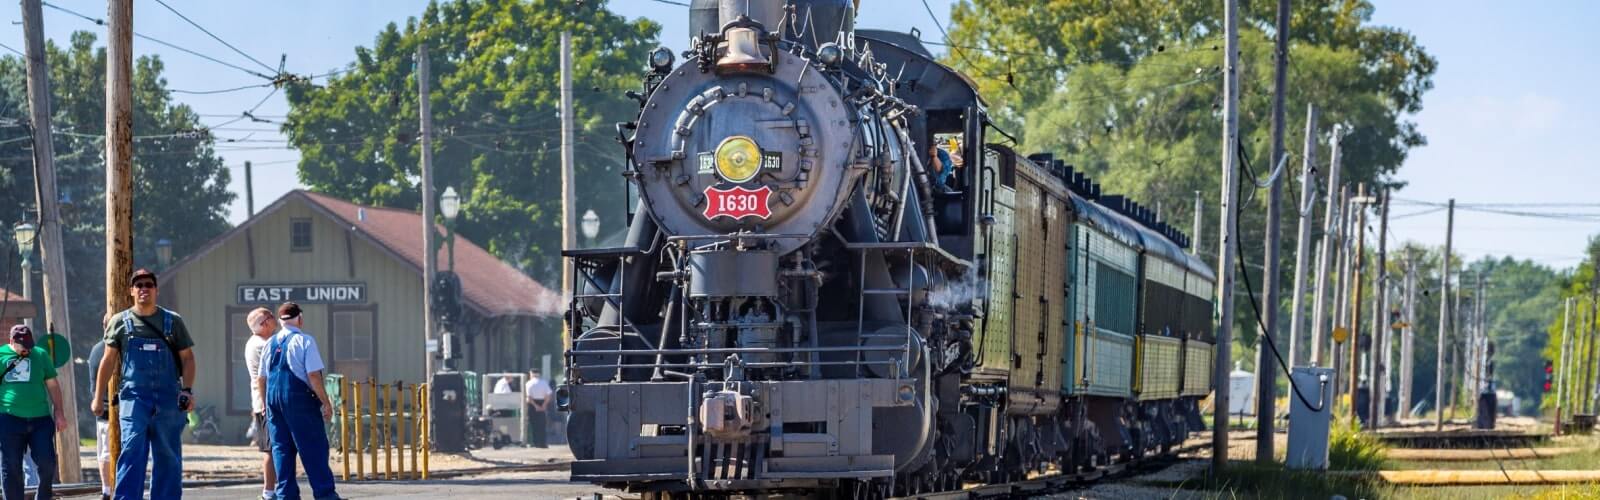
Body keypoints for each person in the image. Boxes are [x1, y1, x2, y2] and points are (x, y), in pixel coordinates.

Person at [91, 269, 196, 500]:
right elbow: (108, 361)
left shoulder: (173, 321)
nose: (143, 289)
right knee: (131, 450)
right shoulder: (120, 321)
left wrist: (187, 390)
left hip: (168, 398)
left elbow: (187, 358)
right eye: (138, 285)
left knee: (168, 454)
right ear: (131, 291)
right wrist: (98, 397)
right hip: (134, 397)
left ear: (156, 290)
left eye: (148, 285)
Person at [257, 303, 341, 500]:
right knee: (313, 447)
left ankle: (286, 495)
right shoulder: (305, 341)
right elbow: (313, 375)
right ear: (300, 318)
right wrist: (326, 403)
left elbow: (261, 378)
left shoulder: (270, 343)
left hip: (273, 400)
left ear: (279, 321)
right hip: (299, 400)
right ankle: (325, 494)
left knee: (281, 449)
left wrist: (264, 403)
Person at [0, 324, 67, 500]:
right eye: (23, 346)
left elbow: (53, 385)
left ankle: (43, 496)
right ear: (11, 342)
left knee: (47, 463)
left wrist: (59, 412)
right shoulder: (1, 355)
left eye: (29, 345)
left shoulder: (41, 355)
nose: (27, 349)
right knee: (11, 466)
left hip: (40, 419)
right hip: (9, 418)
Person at [244, 308, 278, 500]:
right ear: (264, 323)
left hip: (265, 402)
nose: (274, 319)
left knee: (274, 448)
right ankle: (268, 492)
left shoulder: (260, 342)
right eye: (271, 316)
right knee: (271, 449)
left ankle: (274, 490)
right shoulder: (261, 345)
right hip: (266, 403)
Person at [523, 370, 551, 448]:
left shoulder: (528, 383)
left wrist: (536, 406)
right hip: (542, 403)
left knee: (533, 425)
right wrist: (544, 405)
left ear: (531, 374)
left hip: (532, 405)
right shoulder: (544, 383)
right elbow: (548, 395)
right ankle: (543, 443)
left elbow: (529, 397)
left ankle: (535, 443)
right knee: (542, 425)